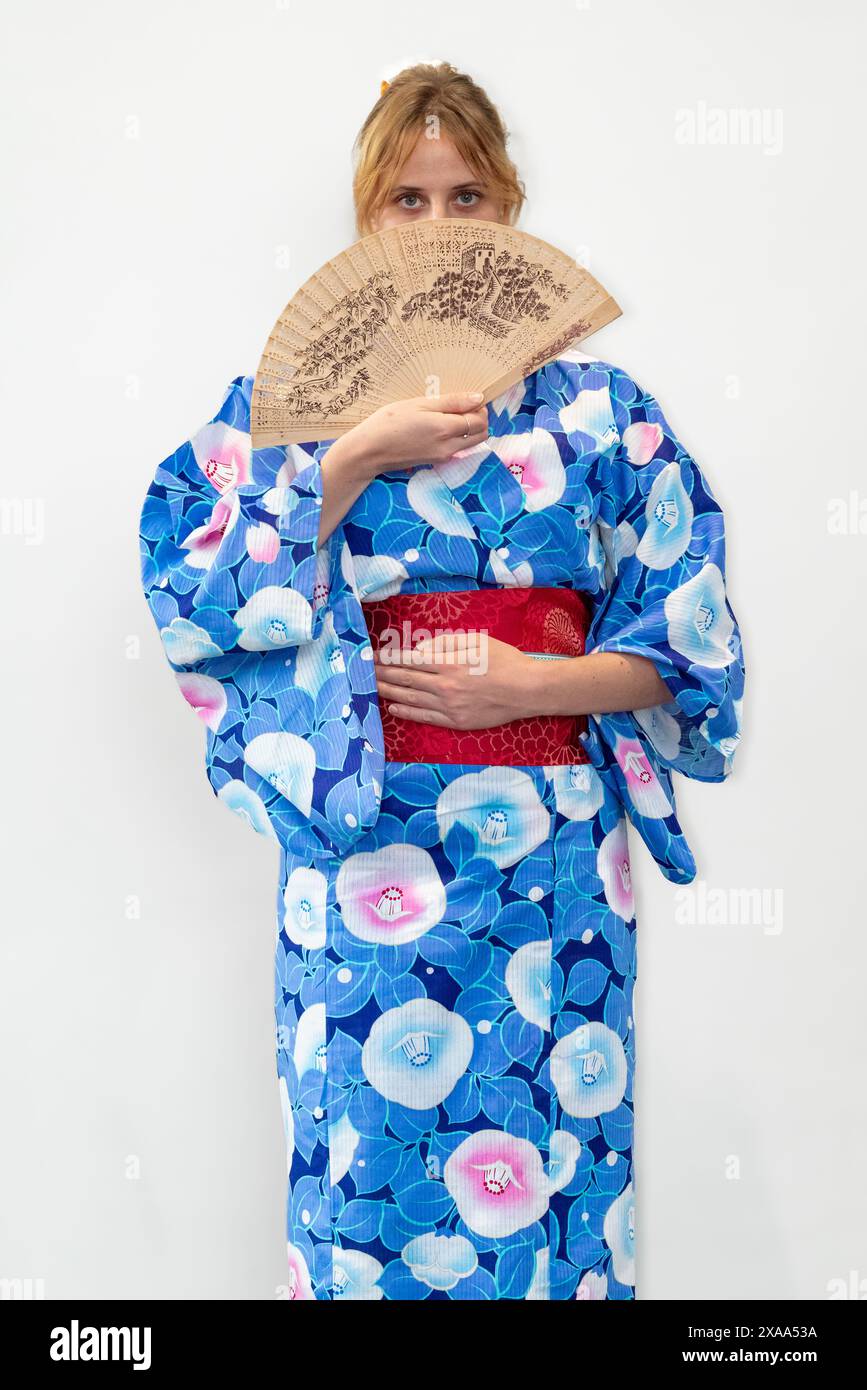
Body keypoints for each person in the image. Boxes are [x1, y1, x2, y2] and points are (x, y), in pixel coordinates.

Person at [138, 61, 745, 1301]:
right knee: (366, 1192)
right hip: (365, 869)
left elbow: (695, 642)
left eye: (467, 196)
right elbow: (190, 595)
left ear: (509, 210)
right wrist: (352, 455)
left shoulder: (600, 415)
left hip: (554, 875)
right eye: (407, 200)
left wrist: (536, 680)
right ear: (367, 218)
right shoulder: (289, 413)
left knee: (560, 1202)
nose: (438, 225)